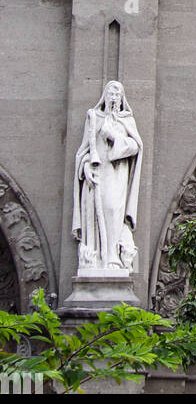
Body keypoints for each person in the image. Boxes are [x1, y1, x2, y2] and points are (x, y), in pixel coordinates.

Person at [72, 81, 143, 272]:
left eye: (117, 94)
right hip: (96, 175)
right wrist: (85, 167)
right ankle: (97, 257)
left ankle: (112, 254)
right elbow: (84, 150)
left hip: (117, 173)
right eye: (111, 94)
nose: (114, 97)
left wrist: (113, 137)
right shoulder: (94, 117)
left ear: (122, 98)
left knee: (113, 209)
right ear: (105, 96)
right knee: (95, 213)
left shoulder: (126, 120)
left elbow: (136, 146)